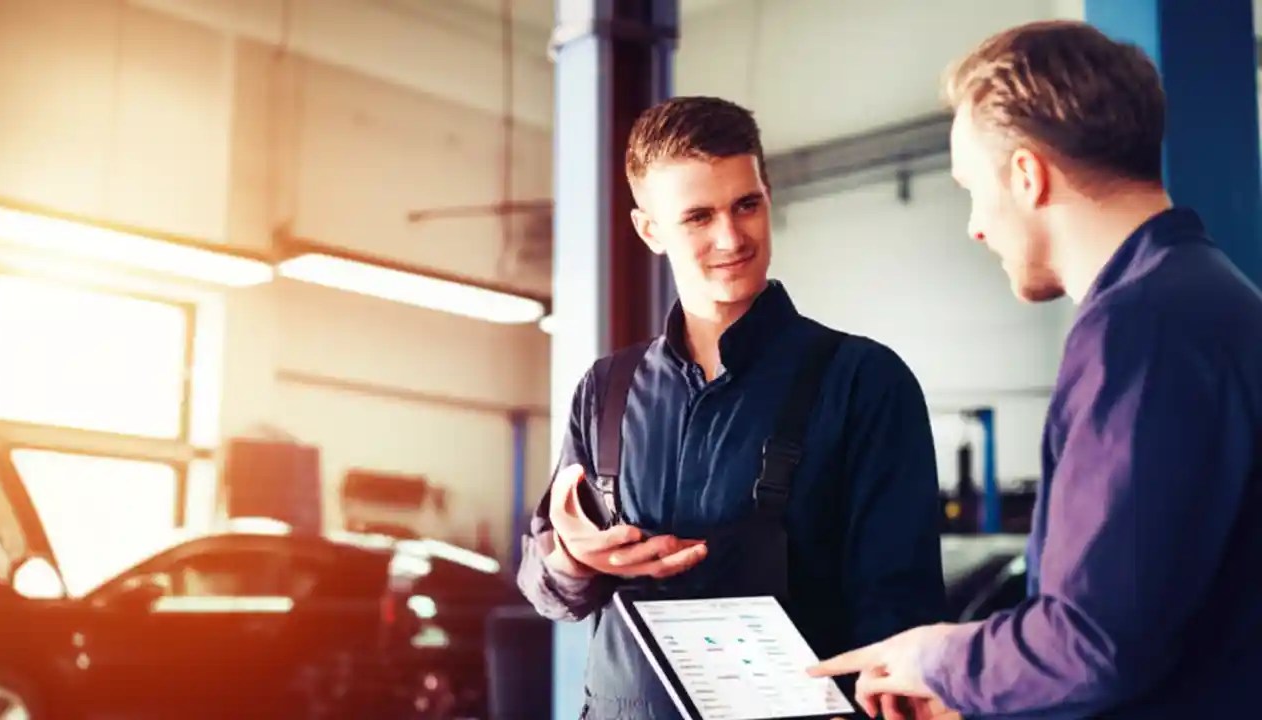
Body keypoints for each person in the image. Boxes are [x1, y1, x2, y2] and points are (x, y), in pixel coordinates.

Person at [809, 19, 1262, 719]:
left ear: (1027, 174)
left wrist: (934, 659)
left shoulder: (1139, 332)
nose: (974, 225)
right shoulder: (1213, 296)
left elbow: (1095, 640)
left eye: (970, 187)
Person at [517, 95, 947, 719]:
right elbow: (546, 586)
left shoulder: (863, 382)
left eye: (746, 204)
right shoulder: (605, 391)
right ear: (650, 230)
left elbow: (902, 616)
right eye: (697, 217)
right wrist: (573, 558)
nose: (730, 237)